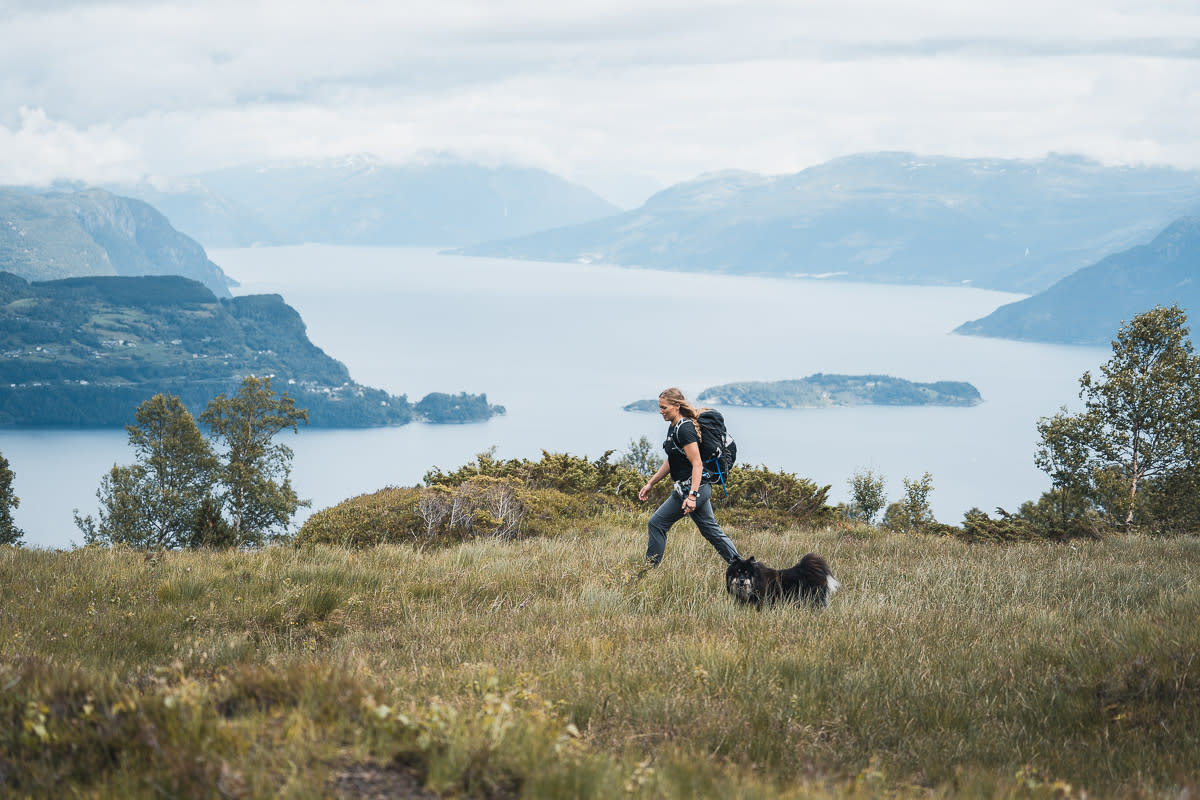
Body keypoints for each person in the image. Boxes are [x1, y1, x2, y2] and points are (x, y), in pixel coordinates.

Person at [637, 387, 740, 566]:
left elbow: (697, 463)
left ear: (677, 406)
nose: (660, 411)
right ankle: (744, 568)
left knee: (657, 524)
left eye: (664, 407)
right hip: (694, 488)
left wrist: (692, 496)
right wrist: (650, 483)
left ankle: (648, 570)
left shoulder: (685, 429)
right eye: (660, 407)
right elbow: (672, 460)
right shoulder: (674, 427)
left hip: (693, 489)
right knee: (711, 531)